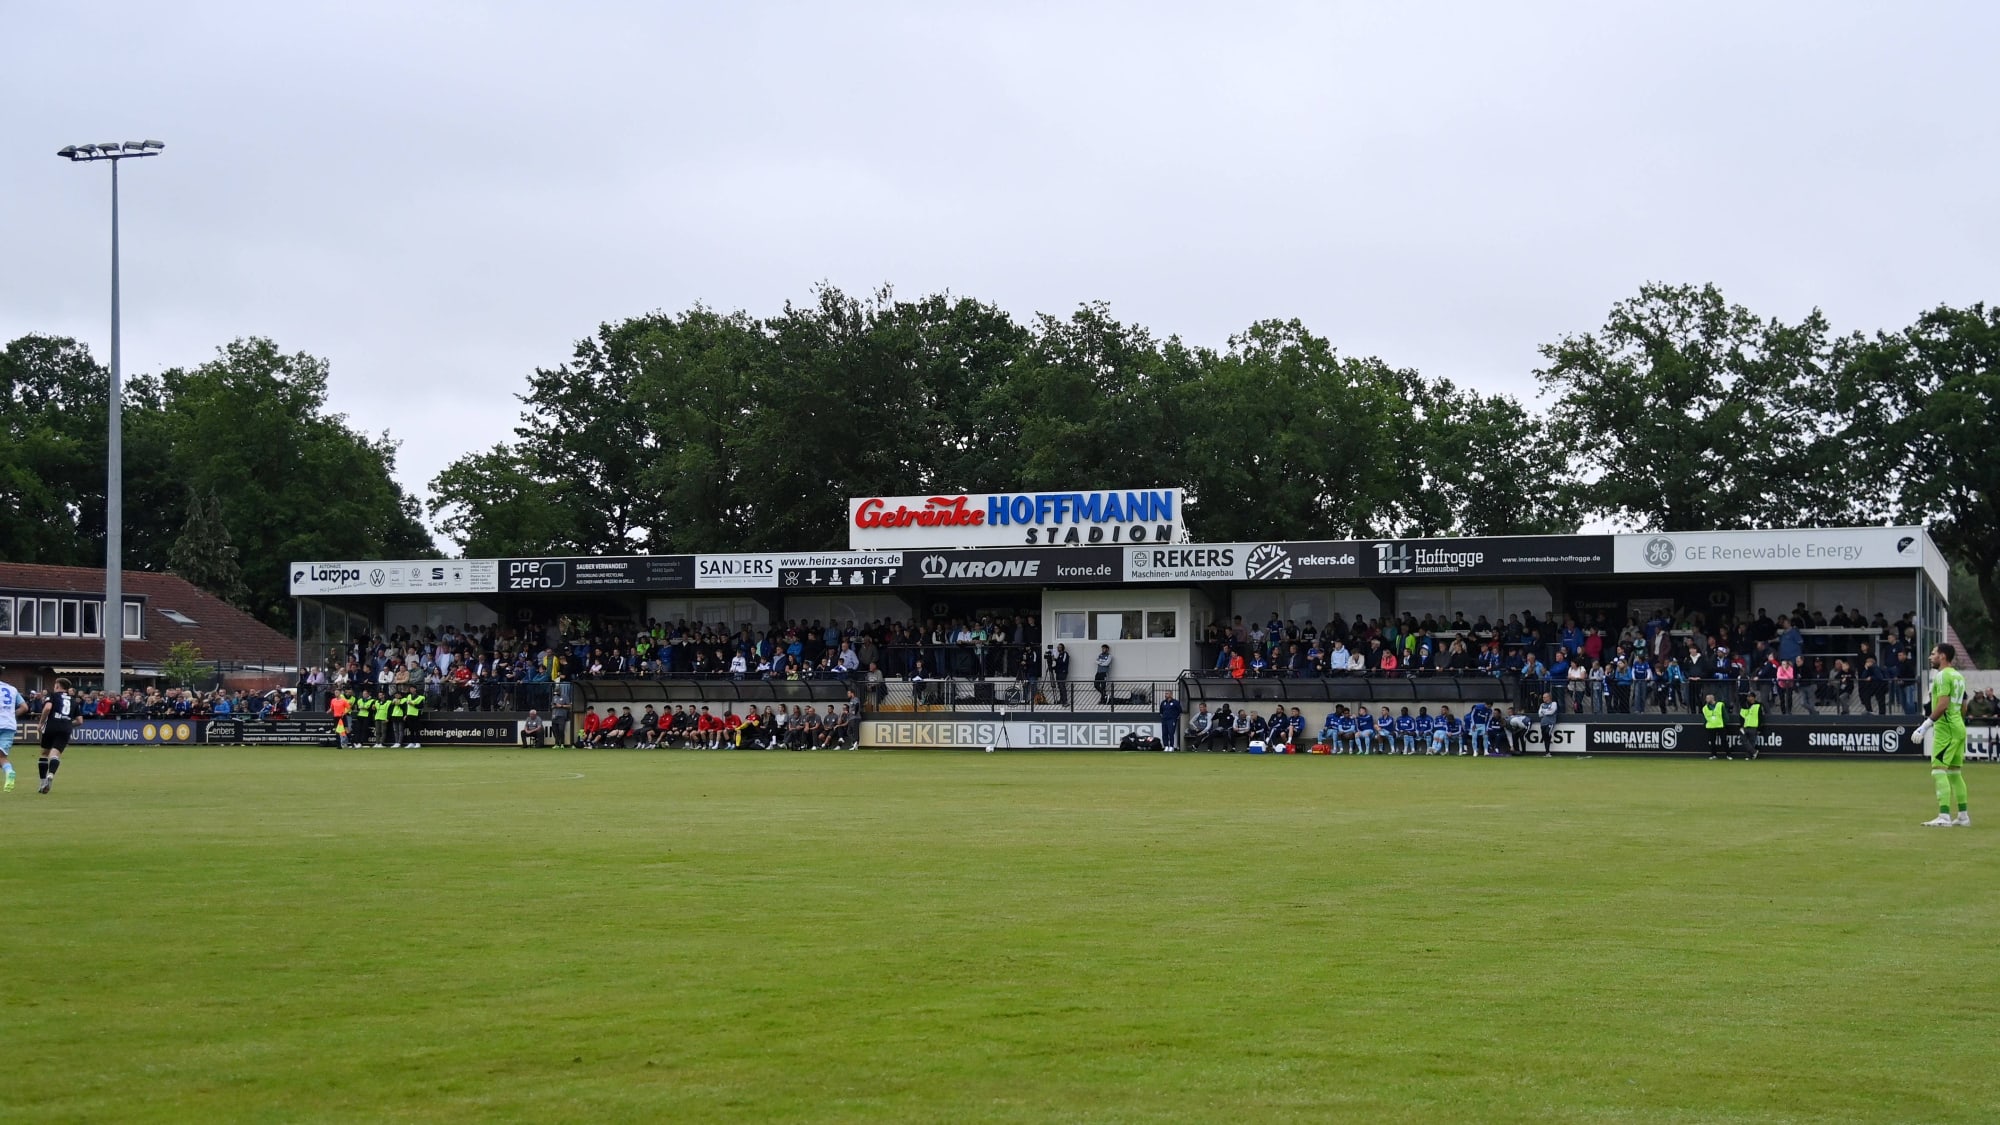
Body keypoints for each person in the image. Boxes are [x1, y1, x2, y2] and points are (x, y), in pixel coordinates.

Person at [1919, 643, 1971, 827]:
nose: (1930, 657)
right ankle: (1963, 817)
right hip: (1958, 726)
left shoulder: (1942, 676)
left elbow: (1942, 704)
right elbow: (1964, 703)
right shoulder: (1958, 675)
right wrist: (1958, 721)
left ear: (1942, 656)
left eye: (1933, 654)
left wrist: (1925, 725)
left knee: (1938, 770)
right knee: (1955, 773)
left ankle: (1944, 816)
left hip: (1946, 729)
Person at [36, 677, 80, 794]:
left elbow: (47, 708)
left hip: (52, 726)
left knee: (45, 753)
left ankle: (42, 782)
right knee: (55, 754)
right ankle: (51, 774)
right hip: (66, 727)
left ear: (57, 686)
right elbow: (80, 721)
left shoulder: (53, 695)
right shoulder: (73, 700)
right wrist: (68, 723)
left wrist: (41, 723)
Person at [0, 677, 24, 791]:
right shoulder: (12, 688)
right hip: (9, 725)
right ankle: (9, 771)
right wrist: (11, 715)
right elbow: (24, 707)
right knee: (2, 757)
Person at [1702, 693, 1728, 759]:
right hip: (1710, 727)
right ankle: (1713, 755)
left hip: (1720, 726)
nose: (1706, 700)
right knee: (1712, 742)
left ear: (1712, 698)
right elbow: (1705, 718)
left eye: (1707, 698)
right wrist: (1705, 725)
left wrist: (1724, 723)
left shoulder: (1720, 705)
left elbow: (1725, 716)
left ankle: (1728, 754)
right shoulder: (1705, 708)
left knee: (1724, 740)